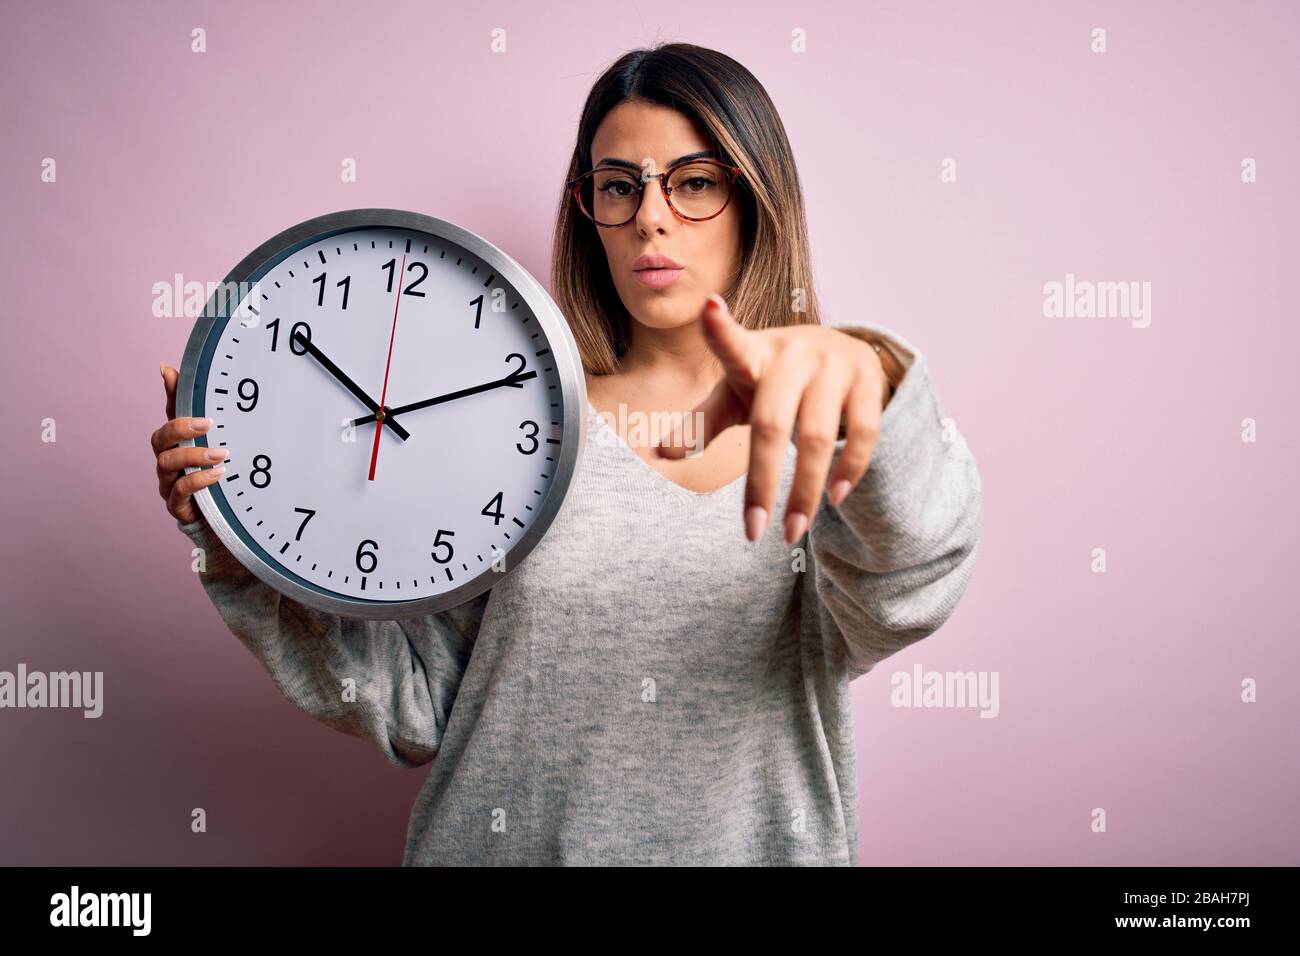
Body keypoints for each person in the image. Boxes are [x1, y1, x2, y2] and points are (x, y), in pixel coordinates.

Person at [150, 42, 982, 865]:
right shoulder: (511, 434)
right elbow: (417, 708)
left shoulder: (829, 430)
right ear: (590, 212)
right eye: (618, 187)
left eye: (693, 182)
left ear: (755, 199)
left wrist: (870, 374)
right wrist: (241, 548)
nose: (651, 216)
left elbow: (910, 588)